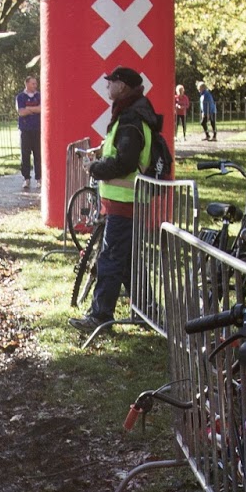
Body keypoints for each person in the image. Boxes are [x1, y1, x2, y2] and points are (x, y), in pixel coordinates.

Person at [74, 65, 165, 331]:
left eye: (110, 82)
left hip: (125, 202)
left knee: (111, 259)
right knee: (127, 262)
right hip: (126, 201)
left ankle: (100, 316)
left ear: (122, 86)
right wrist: (101, 155)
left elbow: (125, 162)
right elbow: (121, 153)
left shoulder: (130, 119)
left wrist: (95, 168)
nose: (107, 86)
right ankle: (148, 313)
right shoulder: (131, 114)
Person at [15, 74, 42, 191]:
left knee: (38, 154)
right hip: (25, 129)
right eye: (33, 83)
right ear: (27, 84)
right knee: (25, 154)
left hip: (37, 129)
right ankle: (26, 178)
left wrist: (29, 109)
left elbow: (42, 108)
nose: (35, 85)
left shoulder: (39, 96)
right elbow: (21, 112)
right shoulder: (20, 97)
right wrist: (35, 110)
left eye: (36, 83)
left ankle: (39, 178)